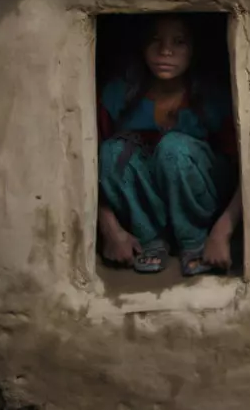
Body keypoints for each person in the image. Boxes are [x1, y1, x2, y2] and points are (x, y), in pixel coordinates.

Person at [96, 15, 241, 276]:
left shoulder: (214, 97)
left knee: (173, 148)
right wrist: (110, 229)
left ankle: (193, 240)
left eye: (179, 42)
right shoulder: (119, 93)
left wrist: (222, 232)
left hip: (205, 204)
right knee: (111, 152)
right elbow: (84, 167)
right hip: (144, 208)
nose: (165, 51)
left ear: (194, 49)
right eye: (155, 40)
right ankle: (150, 239)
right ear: (141, 45)